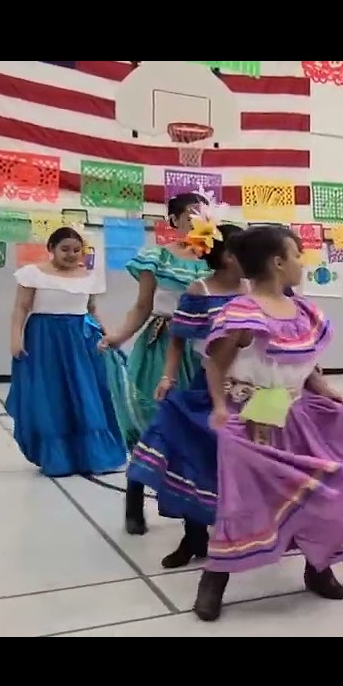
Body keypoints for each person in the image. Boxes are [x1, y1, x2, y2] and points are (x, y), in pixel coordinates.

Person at [195, 224, 343, 622]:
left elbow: (301, 362)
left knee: (327, 488)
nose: (303, 262)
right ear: (278, 263)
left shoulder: (302, 309)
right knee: (245, 503)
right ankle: (215, 576)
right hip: (254, 418)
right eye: (297, 255)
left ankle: (318, 566)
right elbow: (216, 362)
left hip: (296, 414)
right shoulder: (244, 312)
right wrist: (220, 406)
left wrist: (322, 386)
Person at [124, 221, 246, 569]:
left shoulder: (253, 289)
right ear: (224, 257)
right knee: (193, 458)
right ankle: (194, 536)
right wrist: (168, 376)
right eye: (244, 251)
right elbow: (178, 337)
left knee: (241, 463)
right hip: (205, 385)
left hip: (249, 389)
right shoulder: (200, 290)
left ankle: (246, 534)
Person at [103, 193, 213, 536]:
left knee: (200, 429)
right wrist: (118, 336)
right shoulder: (158, 257)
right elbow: (142, 306)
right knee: (150, 421)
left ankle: (196, 513)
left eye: (203, 212)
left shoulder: (218, 259)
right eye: (191, 213)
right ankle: (134, 500)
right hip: (161, 343)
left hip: (205, 350)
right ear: (175, 220)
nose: (198, 218)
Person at [5, 227, 126, 477]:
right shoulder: (32, 274)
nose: (71, 254)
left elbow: (92, 310)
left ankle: (92, 454)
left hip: (81, 339)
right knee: (51, 394)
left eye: (76, 249)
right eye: (64, 249)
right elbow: (20, 308)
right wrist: (15, 339)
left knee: (85, 392)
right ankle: (59, 457)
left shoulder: (89, 276)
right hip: (45, 339)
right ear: (51, 249)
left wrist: (108, 333)